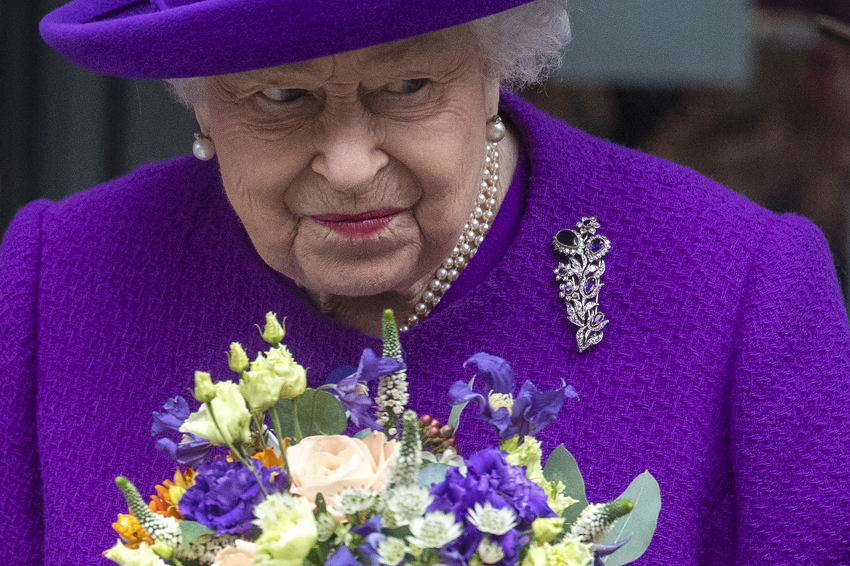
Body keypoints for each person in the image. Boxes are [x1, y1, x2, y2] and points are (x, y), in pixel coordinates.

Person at [1, 0, 848, 564]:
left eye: (407, 87)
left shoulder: (738, 285)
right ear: (201, 106)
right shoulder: (64, 276)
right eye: (282, 96)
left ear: (495, 66)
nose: (348, 163)